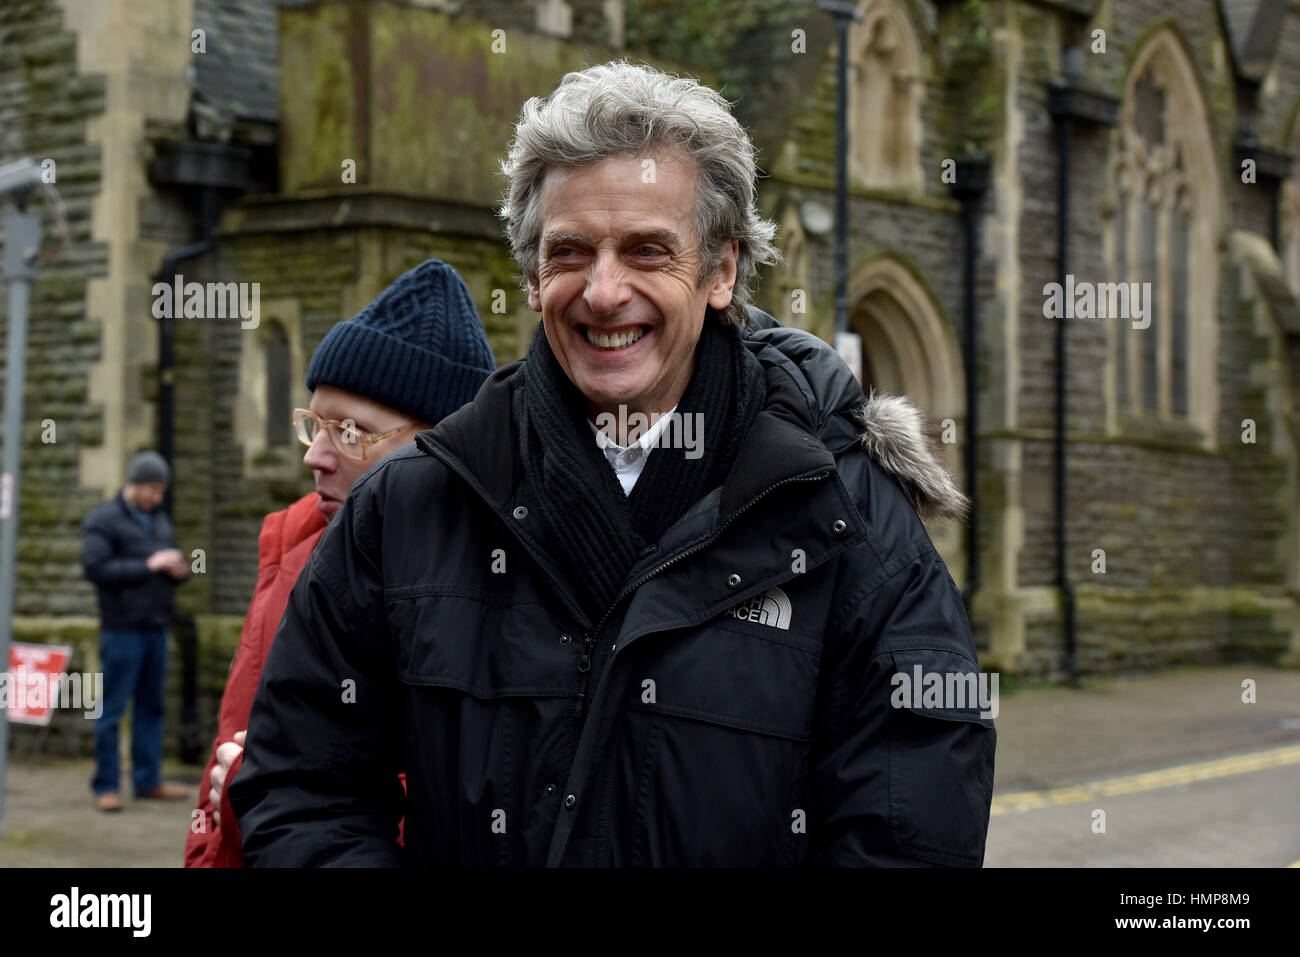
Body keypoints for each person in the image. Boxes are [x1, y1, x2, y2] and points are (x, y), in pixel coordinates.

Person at [230, 60, 996, 866]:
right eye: (570, 252)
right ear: (531, 276)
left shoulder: (851, 521)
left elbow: (912, 838)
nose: (602, 291)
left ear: (722, 272)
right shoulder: (408, 507)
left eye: (646, 251)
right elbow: (301, 791)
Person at [183, 258, 496, 866]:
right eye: (314, 426)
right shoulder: (291, 549)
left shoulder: (497, 580)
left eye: (350, 433)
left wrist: (266, 782)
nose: (316, 458)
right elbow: (222, 772)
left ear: (439, 443)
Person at [81, 451, 192, 811]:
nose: (158, 499)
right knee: (112, 709)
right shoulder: (104, 519)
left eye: (162, 492)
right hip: (121, 630)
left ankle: (148, 780)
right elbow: (96, 568)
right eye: (154, 491)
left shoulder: (159, 520)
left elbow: (167, 566)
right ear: (136, 484)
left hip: (156, 628)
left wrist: (179, 570)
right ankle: (106, 786)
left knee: (152, 707)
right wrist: (148, 564)